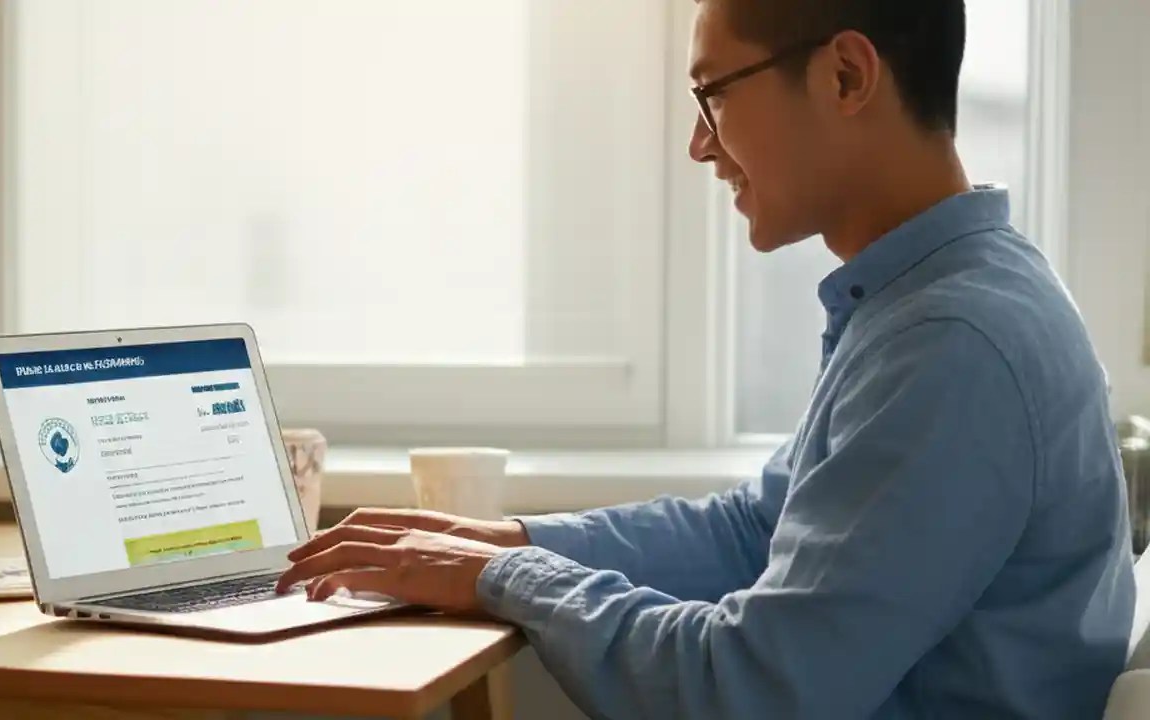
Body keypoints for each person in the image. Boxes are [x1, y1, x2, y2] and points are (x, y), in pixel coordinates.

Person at [277, 0, 1135, 716]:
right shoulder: (938, 297)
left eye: (712, 94)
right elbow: (756, 531)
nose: (699, 144)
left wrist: (510, 575)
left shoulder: (951, 345)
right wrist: (510, 538)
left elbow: (751, 689)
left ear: (846, 76)